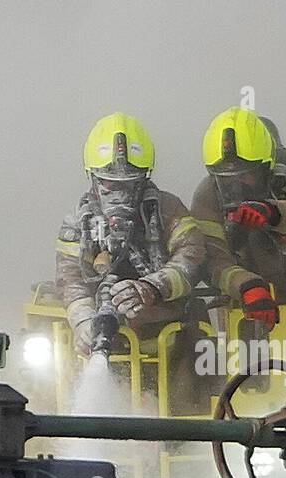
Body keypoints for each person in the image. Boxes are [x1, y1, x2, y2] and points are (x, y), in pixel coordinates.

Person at [55, 112, 207, 355]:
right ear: (93, 178)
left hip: (170, 337)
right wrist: (84, 322)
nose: (119, 194)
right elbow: (71, 281)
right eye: (110, 184)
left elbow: (192, 258)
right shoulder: (77, 223)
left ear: (143, 179)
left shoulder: (169, 210)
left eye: (128, 185)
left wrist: (151, 287)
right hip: (105, 339)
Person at [191, 108, 286, 323]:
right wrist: (248, 286)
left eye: (246, 174)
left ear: (266, 167)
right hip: (249, 305)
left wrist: (274, 213)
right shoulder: (206, 195)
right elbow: (213, 259)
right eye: (225, 178)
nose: (236, 185)